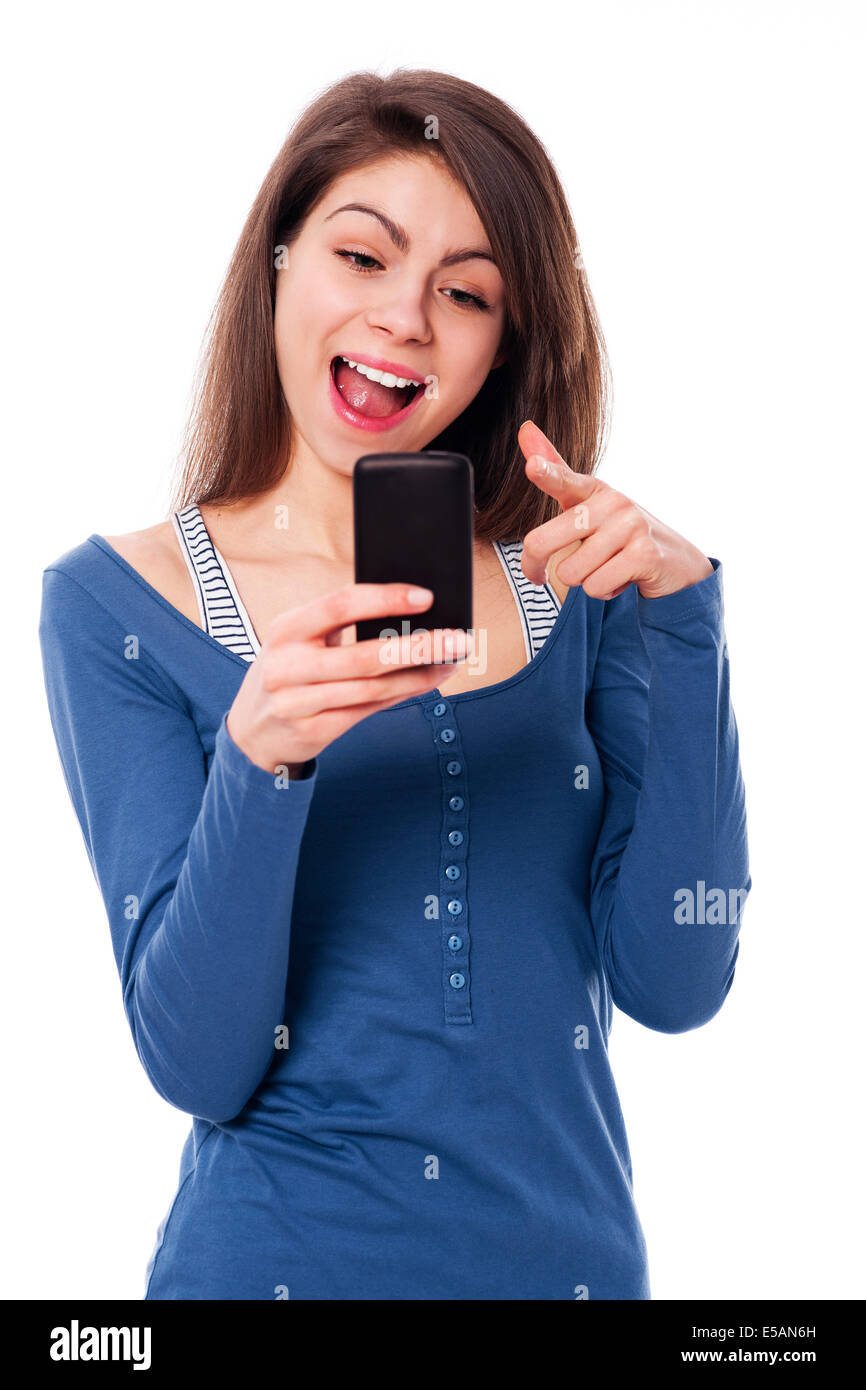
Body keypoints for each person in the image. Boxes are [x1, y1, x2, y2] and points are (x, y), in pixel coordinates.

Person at [38, 68, 751, 1300]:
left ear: (501, 347)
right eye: (362, 256)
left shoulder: (580, 581)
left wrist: (684, 627)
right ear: (276, 264)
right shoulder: (116, 603)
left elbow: (676, 983)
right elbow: (197, 1061)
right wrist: (262, 760)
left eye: (465, 292)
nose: (404, 317)